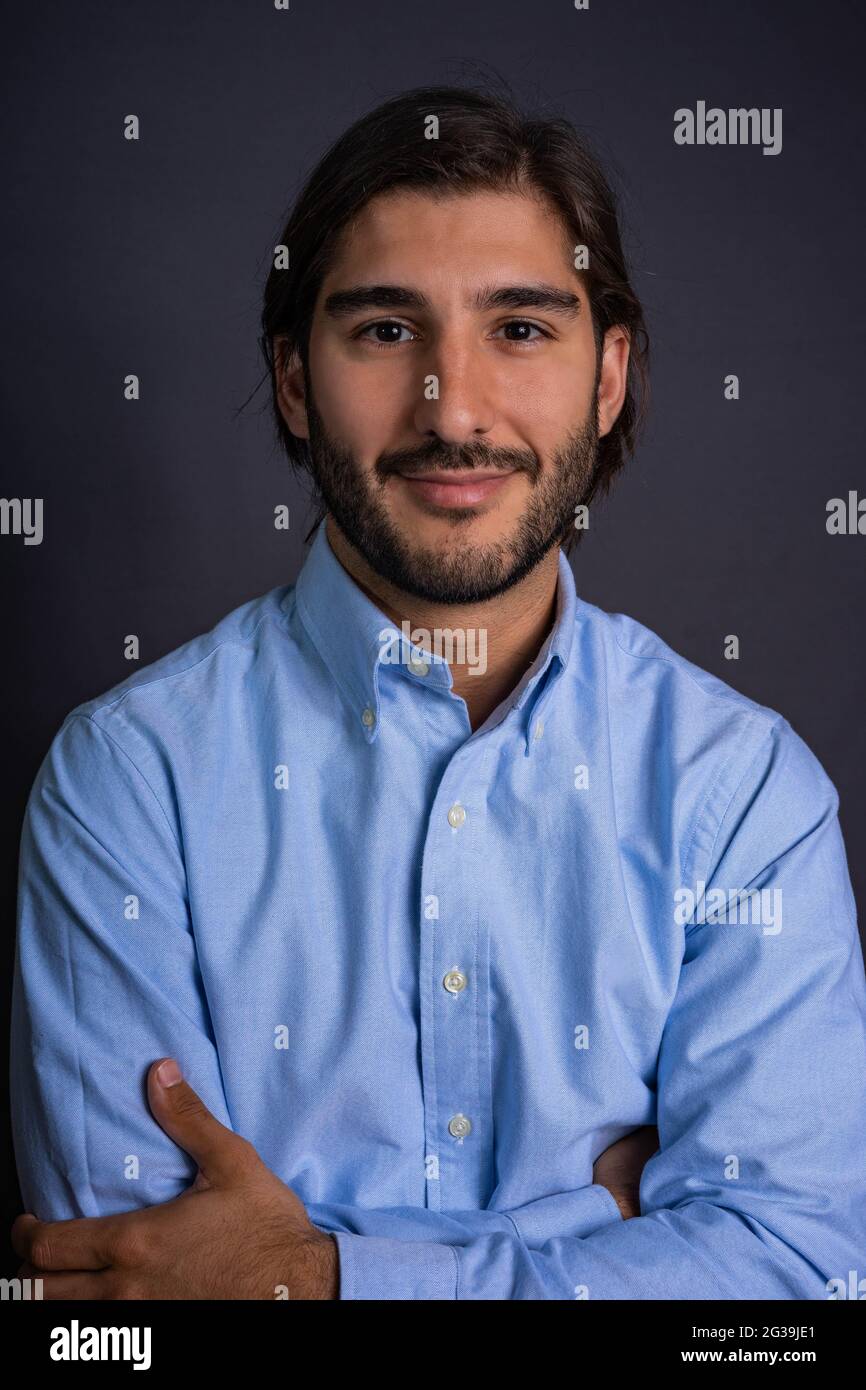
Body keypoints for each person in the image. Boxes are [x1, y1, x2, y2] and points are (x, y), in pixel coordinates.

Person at [11, 83, 866, 1300]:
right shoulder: (126, 781)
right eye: (381, 330)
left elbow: (786, 1285)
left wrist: (315, 1276)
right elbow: (136, 1298)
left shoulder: (744, 794)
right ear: (295, 381)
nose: (451, 408)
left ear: (607, 376)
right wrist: (603, 1217)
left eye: (519, 329)